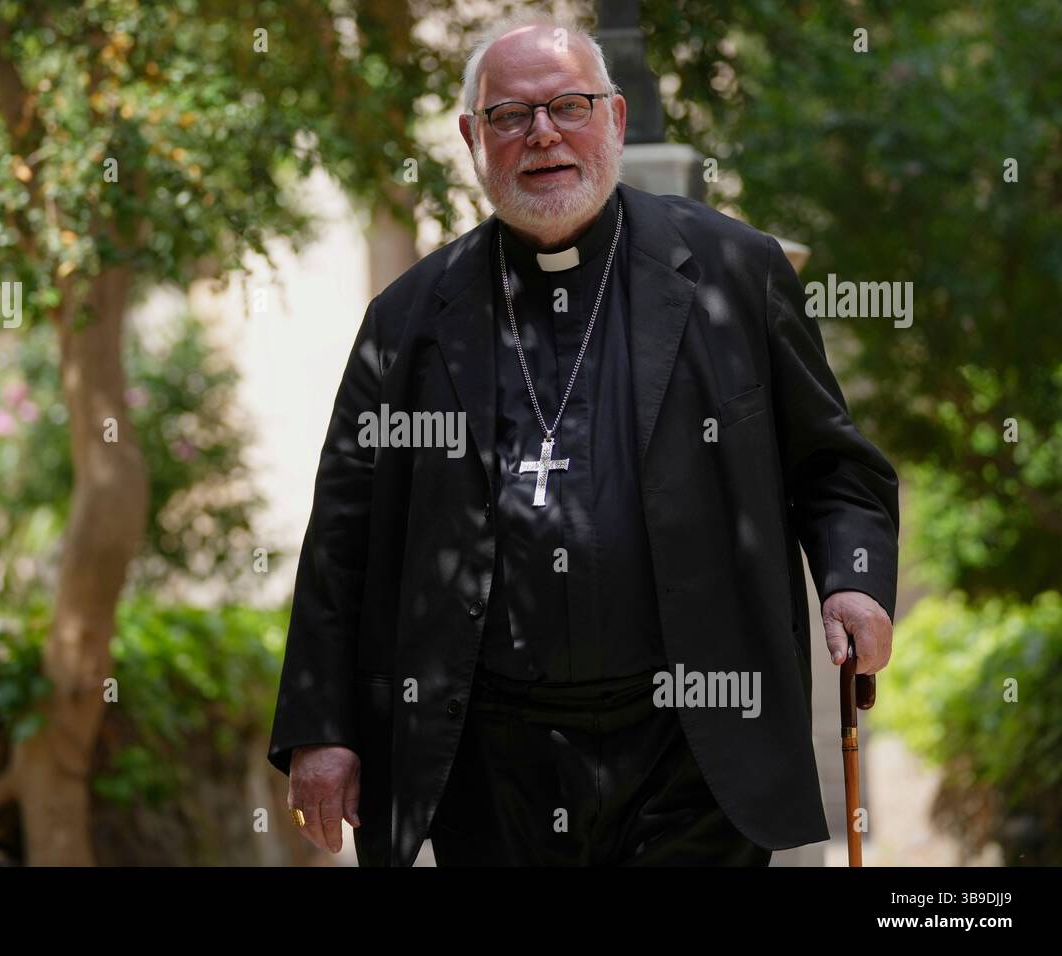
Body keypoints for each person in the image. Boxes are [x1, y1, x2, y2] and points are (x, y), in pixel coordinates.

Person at [267, 13, 899, 867]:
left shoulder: (734, 273)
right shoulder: (410, 318)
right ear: (471, 137)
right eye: (510, 116)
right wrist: (320, 728)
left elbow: (834, 468)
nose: (543, 136)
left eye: (569, 106)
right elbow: (342, 532)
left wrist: (853, 582)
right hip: (491, 762)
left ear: (616, 119)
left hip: (693, 743)